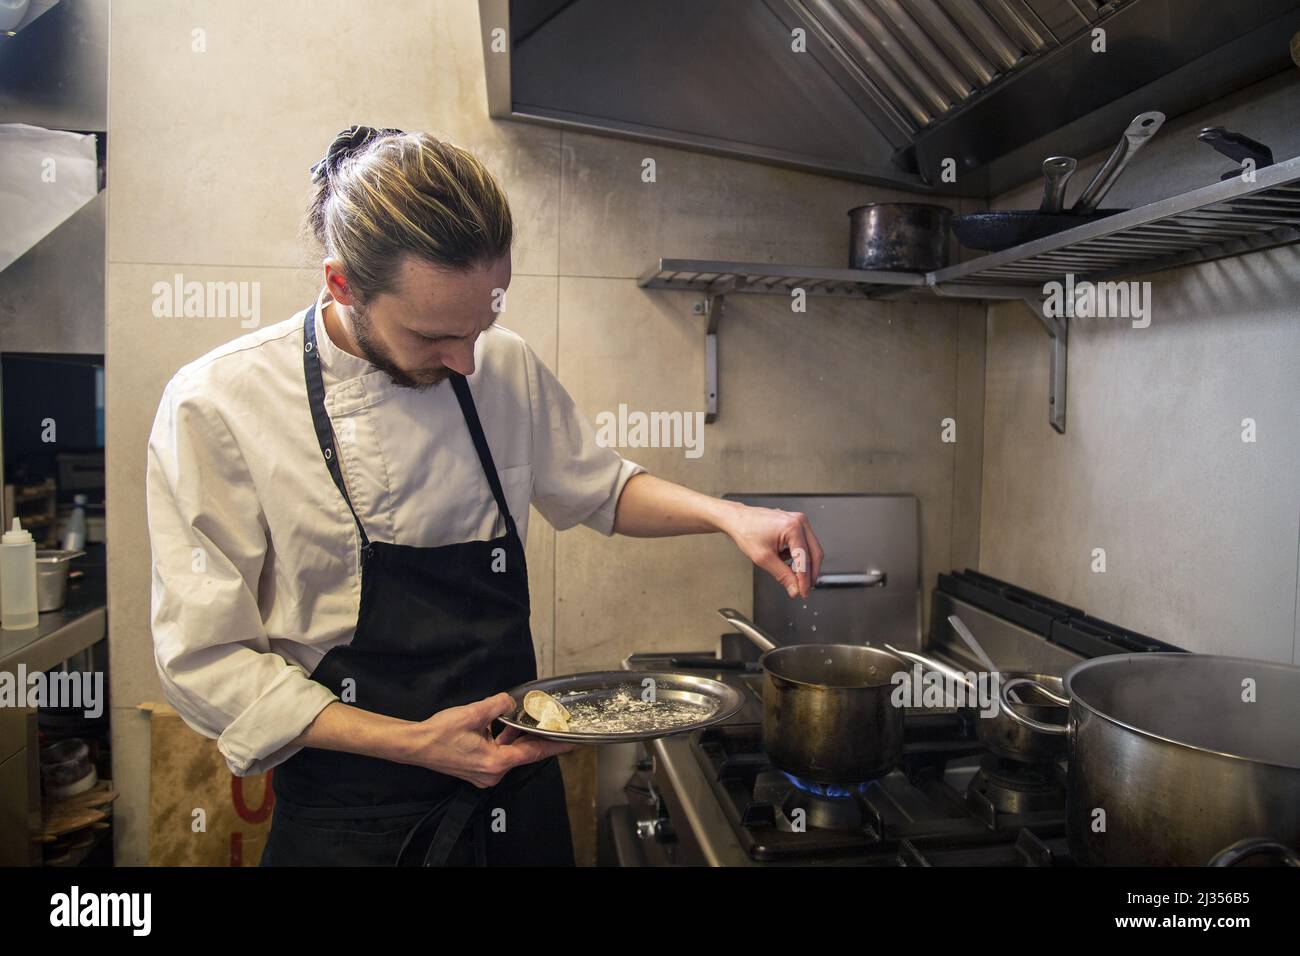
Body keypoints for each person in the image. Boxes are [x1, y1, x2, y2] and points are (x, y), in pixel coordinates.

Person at [146, 125, 824, 866]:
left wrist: (729, 517)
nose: (467, 360)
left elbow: (597, 488)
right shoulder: (216, 405)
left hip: (513, 802)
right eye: (433, 336)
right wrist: (413, 744)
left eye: (484, 323)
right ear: (343, 286)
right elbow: (205, 660)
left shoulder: (500, 363)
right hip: (350, 820)